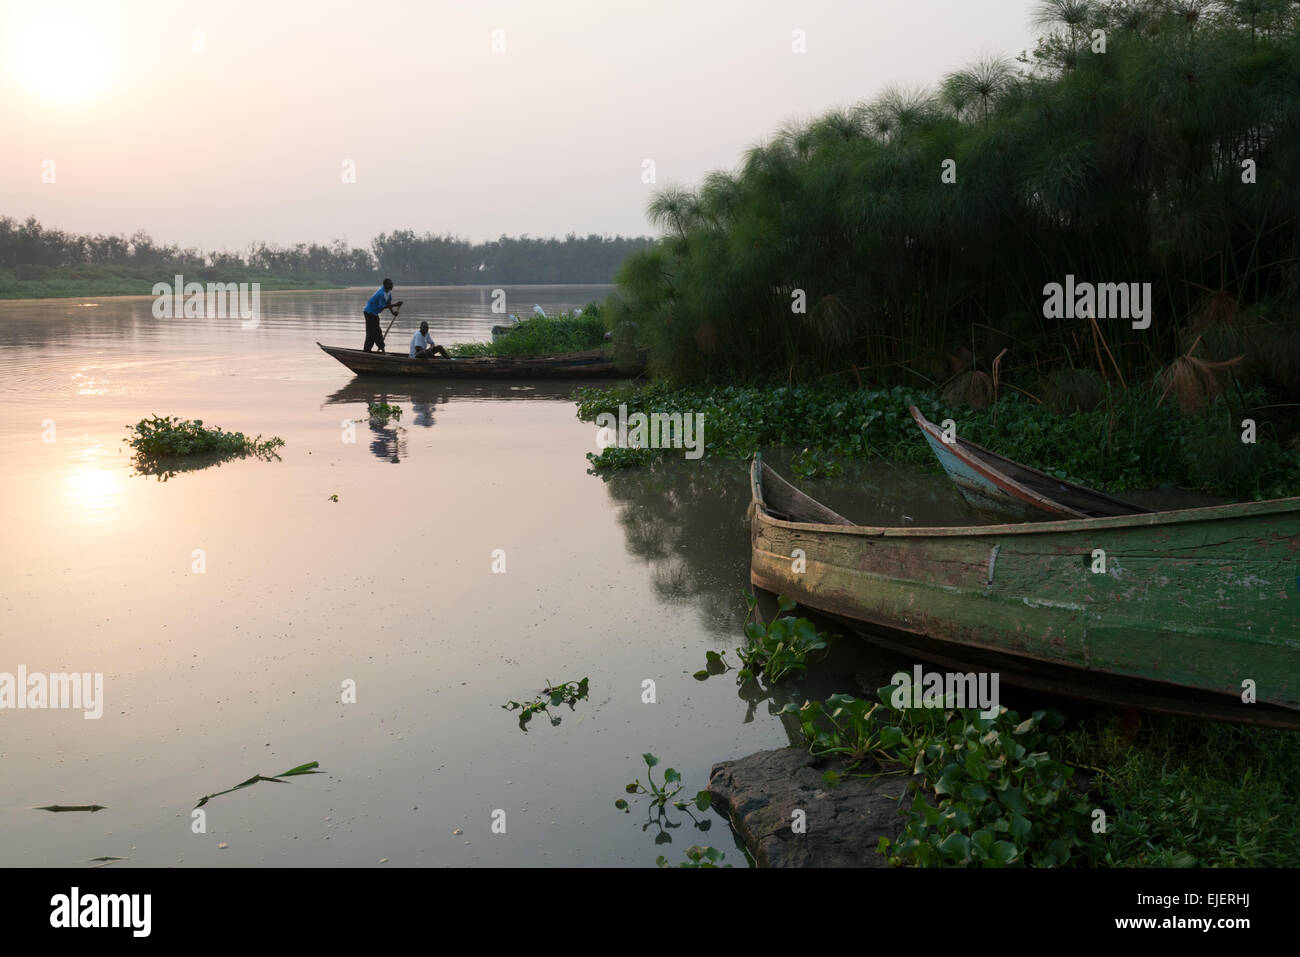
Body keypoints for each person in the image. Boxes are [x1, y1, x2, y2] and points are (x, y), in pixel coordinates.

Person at [363, 279, 403, 352]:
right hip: (369, 313)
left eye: (392, 284)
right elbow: (383, 306)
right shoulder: (381, 294)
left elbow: (388, 302)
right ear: (386, 285)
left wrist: (393, 312)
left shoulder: (388, 292)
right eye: (391, 284)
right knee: (376, 331)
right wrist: (396, 305)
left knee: (371, 333)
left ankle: (367, 350)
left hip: (374, 313)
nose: (392, 286)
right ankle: (382, 349)